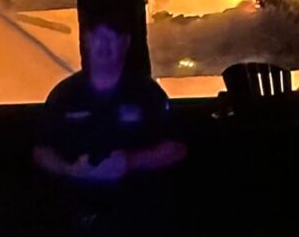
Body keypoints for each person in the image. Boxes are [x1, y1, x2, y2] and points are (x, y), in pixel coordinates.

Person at [32, 21, 187, 235]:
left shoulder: (148, 93)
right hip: (77, 214)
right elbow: (41, 150)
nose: (104, 45)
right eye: (98, 37)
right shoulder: (64, 95)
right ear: (87, 41)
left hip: (138, 214)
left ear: (125, 42)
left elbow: (177, 147)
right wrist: (69, 169)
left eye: (111, 38)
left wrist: (130, 162)